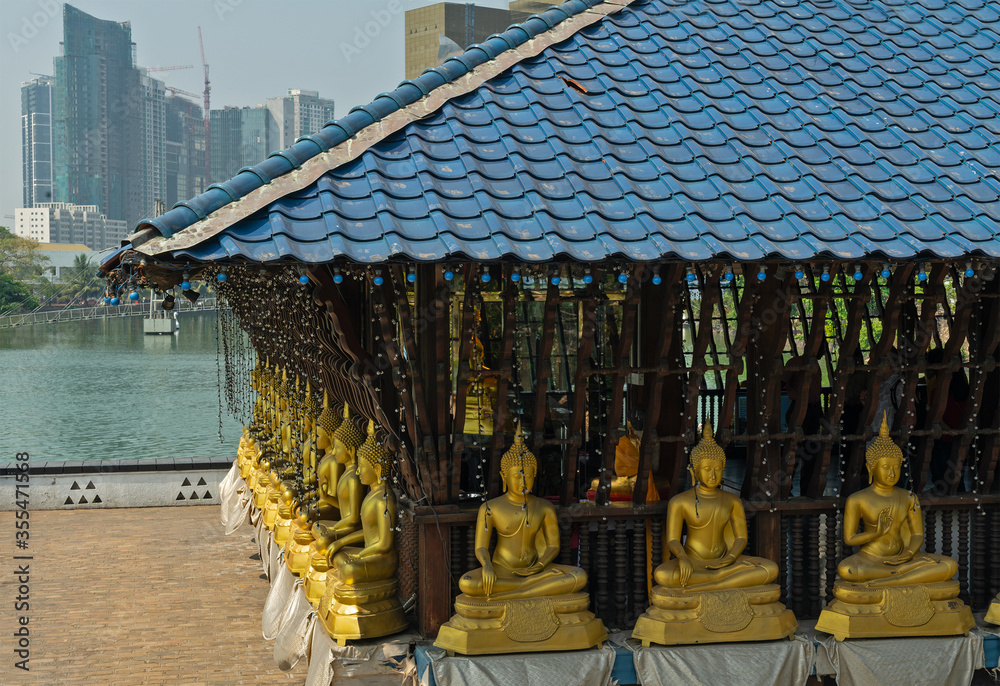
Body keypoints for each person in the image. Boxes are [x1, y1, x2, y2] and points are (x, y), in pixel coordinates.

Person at [459, 428, 587, 600]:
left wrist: (540, 566)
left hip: (536, 569)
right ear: (504, 477)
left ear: (535, 474)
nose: (523, 481)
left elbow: (553, 546)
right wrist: (487, 566)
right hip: (502, 569)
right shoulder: (491, 508)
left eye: (528, 475)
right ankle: (529, 587)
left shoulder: (544, 507)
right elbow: (481, 547)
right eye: (517, 476)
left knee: (579, 575)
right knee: (467, 583)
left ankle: (522, 589)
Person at [837, 413, 957, 586]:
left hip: (904, 558)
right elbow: (849, 538)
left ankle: (895, 575)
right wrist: (876, 533)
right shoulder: (857, 499)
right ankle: (899, 575)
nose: (892, 473)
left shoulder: (909, 497)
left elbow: (917, 534)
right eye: (886, 467)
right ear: (871, 468)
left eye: (896, 467)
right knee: (846, 569)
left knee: (950, 565)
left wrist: (908, 554)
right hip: (871, 559)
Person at [654, 423, 777, 591]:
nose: (713, 475)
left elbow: (741, 537)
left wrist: (731, 557)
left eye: (718, 469)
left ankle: (714, 580)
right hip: (693, 561)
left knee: (770, 569)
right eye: (706, 469)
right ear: (694, 472)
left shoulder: (732, 500)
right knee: (662, 574)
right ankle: (721, 580)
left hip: (725, 561)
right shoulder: (679, 501)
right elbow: (673, 540)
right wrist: (682, 558)